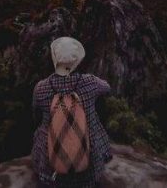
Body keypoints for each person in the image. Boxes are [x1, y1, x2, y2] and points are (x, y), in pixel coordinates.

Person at [31, 37, 112, 187]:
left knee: (41, 130)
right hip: (88, 166)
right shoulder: (90, 82)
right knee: (94, 124)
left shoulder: (41, 87)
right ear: (76, 61)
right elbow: (107, 88)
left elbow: (35, 114)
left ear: (55, 58)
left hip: (49, 167)